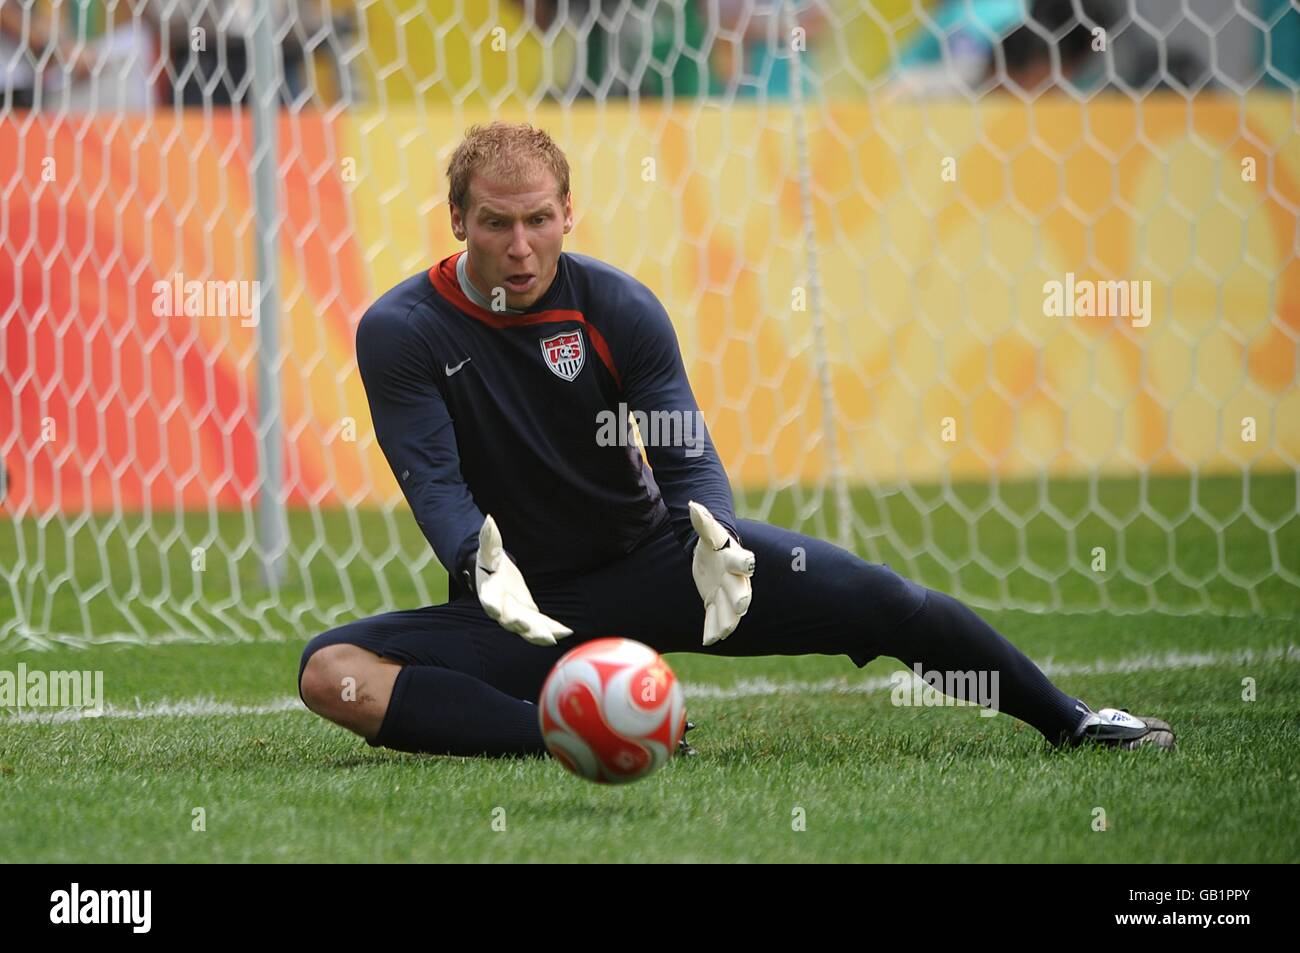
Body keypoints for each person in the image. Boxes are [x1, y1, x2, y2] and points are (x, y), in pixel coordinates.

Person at [297, 121, 1174, 758]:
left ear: (570, 214)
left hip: (657, 564)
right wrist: (476, 563)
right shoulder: (400, 329)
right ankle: (575, 728)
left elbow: (682, 445)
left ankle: (1072, 720)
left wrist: (717, 536)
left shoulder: (618, 307)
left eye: (538, 221)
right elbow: (434, 480)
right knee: (330, 671)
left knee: (883, 598)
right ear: (458, 220)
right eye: (495, 223)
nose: (520, 247)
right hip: (522, 603)